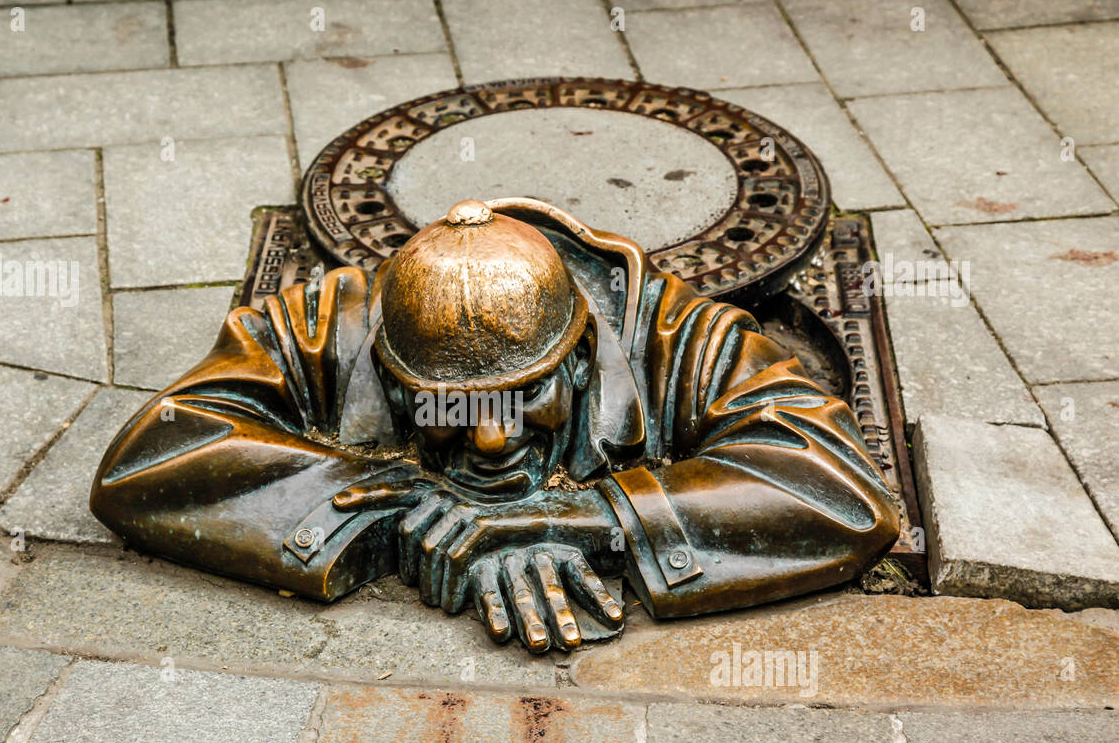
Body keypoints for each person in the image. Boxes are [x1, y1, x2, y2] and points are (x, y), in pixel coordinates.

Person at [91, 198, 898, 653]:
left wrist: (582, 516)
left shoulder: (678, 338)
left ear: (581, 356)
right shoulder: (330, 326)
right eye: (446, 410)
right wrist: (393, 505)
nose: (490, 440)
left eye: (523, 397)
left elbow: (841, 492)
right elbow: (152, 454)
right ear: (389, 372)